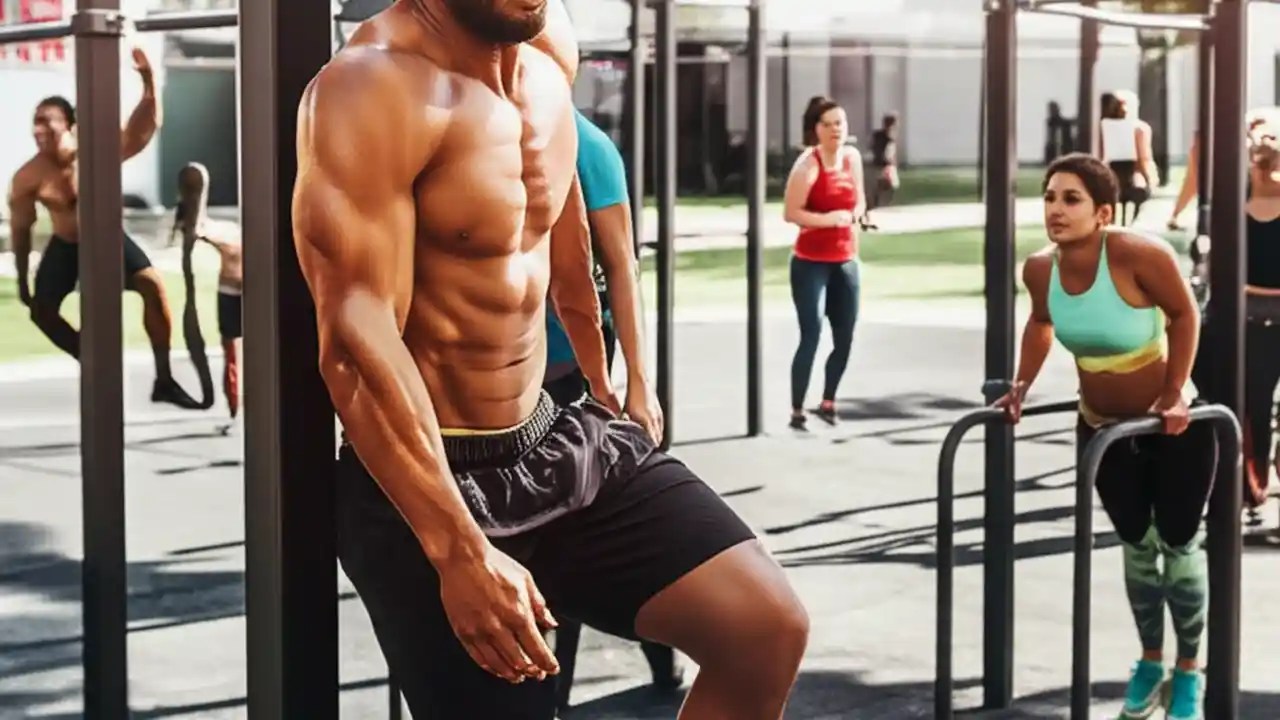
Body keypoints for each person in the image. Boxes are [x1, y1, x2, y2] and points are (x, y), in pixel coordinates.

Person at [290, 1, 809, 718]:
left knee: (763, 627)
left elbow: (570, 264)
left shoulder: (544, 73)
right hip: (433, 480)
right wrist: (459, 551)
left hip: (551, 436)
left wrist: (609, 383)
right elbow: (357, 339)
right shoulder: (372, 87)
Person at [995, 153, 1214, 720]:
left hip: (1173, 426)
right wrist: (1020, 386)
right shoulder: (1039, 269)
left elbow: (1184, 315)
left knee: (1179, 547)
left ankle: (1189, 673)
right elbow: (1041, 322)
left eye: (1071, 199)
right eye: (1049, 197)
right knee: (1137, 549)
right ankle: (1150, 663)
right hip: (1103, 429)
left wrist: (1173, 392)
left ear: (1103, 212)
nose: (1056, 209)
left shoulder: (1139, 254)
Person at [541, 108, 680, 709]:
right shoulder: (474, 126)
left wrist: (639, 383)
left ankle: (658, 660)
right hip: (502, 383)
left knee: (584, 527)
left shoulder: (587, 145)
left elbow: (622, 264)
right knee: (548, 542)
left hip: (573, 375)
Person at [6, 48, 199, 409]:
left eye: (47, 120)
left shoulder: (96, 150)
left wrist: (149, 80)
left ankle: (164, 379)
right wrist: (21, 281)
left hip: (108, 237)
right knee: (41, 311)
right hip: (67, 244)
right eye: (35, 122)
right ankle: (92, 361)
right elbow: (21, 229)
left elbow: (143, 130)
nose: (38, 129)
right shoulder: (28, 176)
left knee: (153, 287)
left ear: (69, 124)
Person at [782, 95, 866, 429]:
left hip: (846, 259)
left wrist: (856, 215)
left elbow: (859, 200)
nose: (835, 130)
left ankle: (828, 400)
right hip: (810, 262)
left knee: (845, 336)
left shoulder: (852, 158)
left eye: (839, 123)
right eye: (828, 124)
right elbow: (791, 213)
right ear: (816, 129)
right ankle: (797, 408)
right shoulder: (808, 166)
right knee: (812, 333)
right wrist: (830, 220)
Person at [171, 163, 242, 424]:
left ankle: (236, 397)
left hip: (239, 292)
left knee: (240, 349)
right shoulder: (224, 232)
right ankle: (232, 399)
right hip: (229, 293)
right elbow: (199, 231)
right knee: (230, 349)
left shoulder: (232, 233)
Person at [1099, 90, 1158, 226]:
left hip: (1111, 174)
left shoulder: (1103, 127)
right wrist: (1150, 179)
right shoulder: (1139, 128)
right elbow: (1143, 158)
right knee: (1138, 198)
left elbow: (1101, 154)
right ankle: (1129, 224)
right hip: (1131, 175)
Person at [869, 112, 899, 210]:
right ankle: (880, 204)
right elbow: (888, 153)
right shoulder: (889, 137)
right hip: (885, 165)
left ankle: (877, 203)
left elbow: (872, 147)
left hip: (879, 164)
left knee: (882, 186)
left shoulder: (877, 135)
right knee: (887, 185)